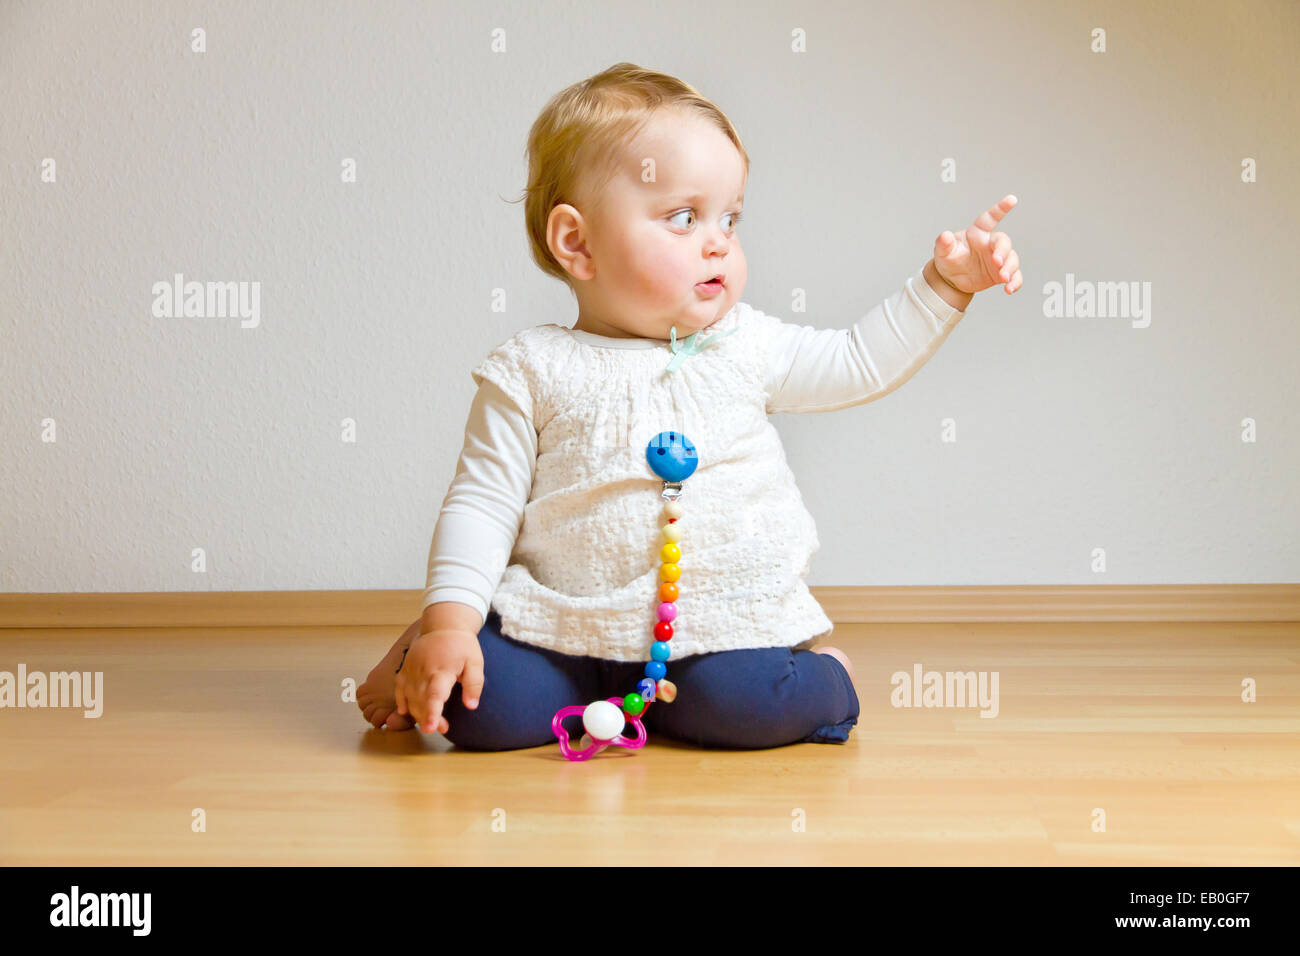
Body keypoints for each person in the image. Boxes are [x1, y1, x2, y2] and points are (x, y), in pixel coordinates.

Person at [357, 62, 1022, 750]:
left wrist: (944, 286)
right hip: (564, 629)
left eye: (730, 217)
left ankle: (831, 677)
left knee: (743, 706)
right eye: (684, 217)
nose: (719, 242)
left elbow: (858, 361)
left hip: (718, 631)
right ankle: (428, 653)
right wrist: (450, 625)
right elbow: (481, 505)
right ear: (576, 242)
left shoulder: (745, 344)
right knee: (478, 709)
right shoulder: (531, 370)